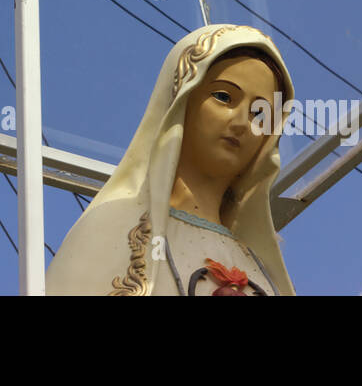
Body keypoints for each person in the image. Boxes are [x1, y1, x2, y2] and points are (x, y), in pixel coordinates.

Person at [45, 24, 297, 296]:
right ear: (181, 100)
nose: (241, 123)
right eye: (223, 97)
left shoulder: (260, 270)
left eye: (259, 114)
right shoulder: (111, 230)